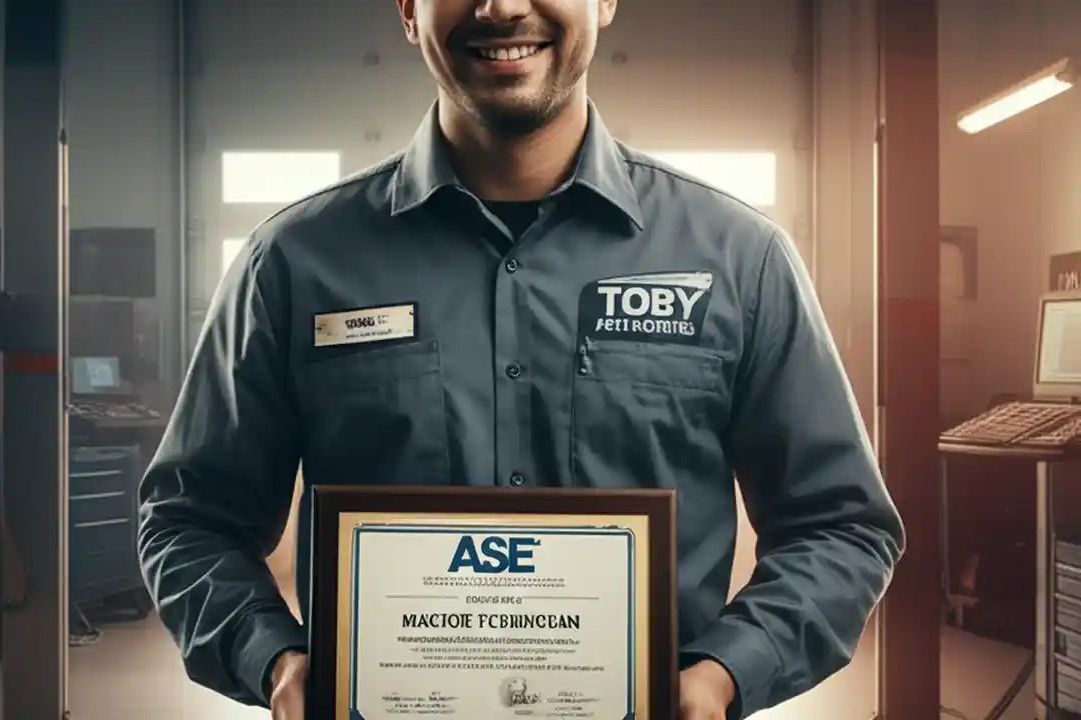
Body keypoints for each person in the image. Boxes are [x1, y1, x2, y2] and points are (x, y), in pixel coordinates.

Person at [137, 0, 906, 718]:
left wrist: (724, 672)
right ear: (408, 9)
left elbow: (840, 526)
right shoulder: (294, 264)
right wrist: (276, 658)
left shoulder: (739, 260)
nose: (502, 6)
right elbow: (189, 520)